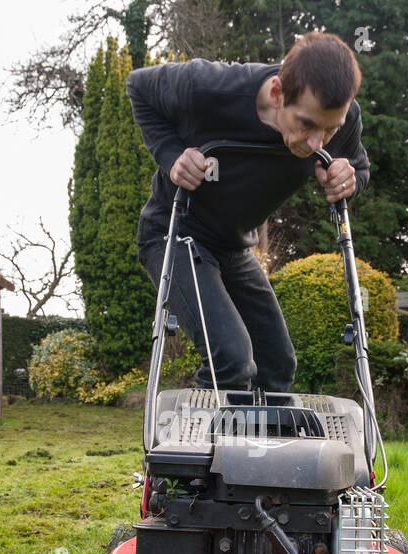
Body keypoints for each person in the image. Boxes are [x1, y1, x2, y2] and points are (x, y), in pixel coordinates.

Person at [126, 31, 370, 394]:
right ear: (276, 93)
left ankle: (264, 450)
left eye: (329, 129)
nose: (318, 142)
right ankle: (205, 448)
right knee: (231, 358)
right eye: (306, 124)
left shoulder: (344, 120)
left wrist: (347, 179)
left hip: (235, 248)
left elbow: (358, 169)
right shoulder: (208, 87)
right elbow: (138, 86)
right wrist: (171, 155)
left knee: (278, 363)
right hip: (174, 233)